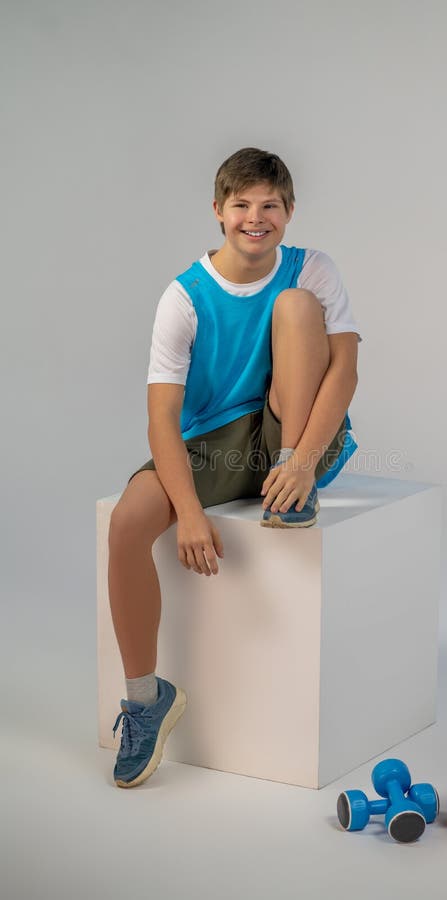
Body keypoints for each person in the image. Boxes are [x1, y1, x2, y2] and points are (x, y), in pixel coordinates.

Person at [108, 147, 362, 788]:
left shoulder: (312, 268)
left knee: (296, 306)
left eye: (270, 205)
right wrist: (189, 512)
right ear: (218, 212)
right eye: (242, 205)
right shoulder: (185, 297)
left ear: (289, 211)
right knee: (127, 522)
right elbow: (162, 418)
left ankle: (290, 486)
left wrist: (302, 463)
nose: (256, 217)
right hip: (214, 445)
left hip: (294, 432)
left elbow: (345, 370)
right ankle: (145, 701)